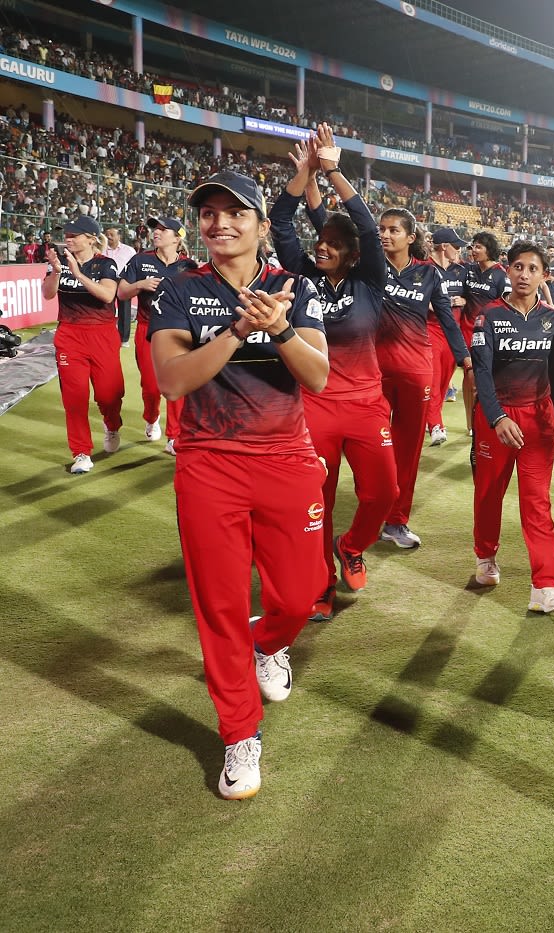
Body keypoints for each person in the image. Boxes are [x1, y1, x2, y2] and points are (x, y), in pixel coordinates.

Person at [148, 169, 330, 799]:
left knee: (303, 594)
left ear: (258, 222)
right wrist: (235, 332)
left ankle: (269, 643)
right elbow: (172, 381)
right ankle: (239, 735)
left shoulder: (292, 286)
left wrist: (277, 329)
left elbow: (319, 377)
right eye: (209, 214)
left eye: (235, 212)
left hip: (286, 458)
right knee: (219, 605)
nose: (220, 223)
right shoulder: (178, 289)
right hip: (210, 464)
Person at [270, 126, 396, 622]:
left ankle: (353, 545)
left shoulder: (371, 280)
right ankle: (320, 581)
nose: (321, 246)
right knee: (315, 500)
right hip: (315, 403)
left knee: (383, 493)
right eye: (320, 240)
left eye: (332, 243)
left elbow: (366, 225)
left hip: (367, 404)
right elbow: (282, 223)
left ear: (352, 251)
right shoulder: (302, 279)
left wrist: (334, 169)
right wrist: (302, 175)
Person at [469, 241, 554, 613]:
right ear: (507, 271)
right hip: (496, 417)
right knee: (489, 492)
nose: (524, 274)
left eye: (532, 269)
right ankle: (486, 557)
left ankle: (544, 585)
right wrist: (497, 418)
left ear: (544, 275)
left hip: (539, 418)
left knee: (537, 500)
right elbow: (481, 371)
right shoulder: (488, 315)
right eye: (518, 267)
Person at [374, 208, 468, 548]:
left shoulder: (428, 275)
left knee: (409, 451)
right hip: (373, 374)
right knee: (373, 448)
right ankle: (372, 508)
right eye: (381, 229)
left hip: (416, 374)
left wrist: (465, 358)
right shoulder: (372, 266)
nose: (385, 235)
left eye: (393, 230)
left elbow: (446, 317)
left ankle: (396, 522)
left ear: (410, 237)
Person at [42, 215, 123, 474]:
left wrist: (77, 273)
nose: (67, 238)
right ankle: (81, 452)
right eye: (66, 234)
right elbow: (47, 293)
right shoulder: (60, 262)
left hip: (102, 334)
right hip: (69, 335)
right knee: (74, 398)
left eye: (74, 235)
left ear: (90, 238)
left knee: (109, 395)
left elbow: (108, 294)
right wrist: (56, 271)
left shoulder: (105, 264)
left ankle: (112, 424)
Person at [119, 216, 196, 452]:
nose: (157, 232)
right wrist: (140, 285)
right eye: (156, 229)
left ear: (177, 237)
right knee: (151, 388)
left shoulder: (189, 267)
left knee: (177, 385)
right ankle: (151, 418)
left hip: (177, 331)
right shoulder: (140, 260)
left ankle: (174, 436)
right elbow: (122, 293)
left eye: (164, 230)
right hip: (146, 329)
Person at [461, 231, 508, 430]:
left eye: (478, 246)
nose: (474, 250)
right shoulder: (469, 270)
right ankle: (471, 424)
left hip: (488, 334)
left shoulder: (500, 275)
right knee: (469, 376)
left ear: (489, 250)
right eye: (473, 246)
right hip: (465, 331)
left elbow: (506, 305)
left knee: (486, 378)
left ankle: (488, 417)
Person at [427, 227, 469, 446]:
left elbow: (471, 297)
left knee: (444, 383)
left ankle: (432, 418)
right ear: (444, 247)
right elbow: (421, 299)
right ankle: (436, 425)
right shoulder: (424, 270)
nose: (459, 250)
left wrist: (465, 301)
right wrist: (451, 302)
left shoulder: (460, 271)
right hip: (430, 332)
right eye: (456, 246)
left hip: (453, 335)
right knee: (433, 382)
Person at [105, 227, 137, 345]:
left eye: (112, 234)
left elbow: (134, 267)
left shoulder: (129, 250)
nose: (109, 237)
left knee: (125, 310)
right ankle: (108, 334)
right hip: (107, 281)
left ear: (119, 237)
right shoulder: (101, 249)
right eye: (107, 234)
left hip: (124, 281)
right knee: (106, 309)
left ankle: (124, 339)